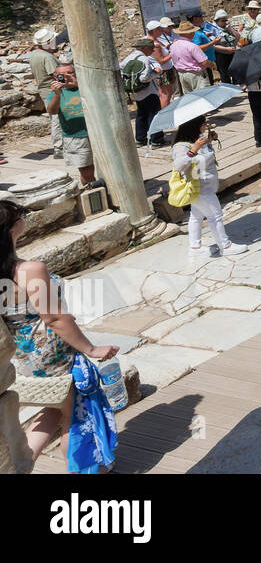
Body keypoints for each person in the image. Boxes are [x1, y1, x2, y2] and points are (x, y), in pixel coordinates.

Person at [2, 196, 119, 465]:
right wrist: (90, 349)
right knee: (75, 413)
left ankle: (22, 466)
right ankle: (80, 470)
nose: (24, 218)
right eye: (20, 215)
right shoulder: (30, 271)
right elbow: (54, 318)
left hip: (17, 356)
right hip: (50, 354)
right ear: (11, 229)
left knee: (54, 407)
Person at [172, 116, 245, 257]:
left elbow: (202, 158)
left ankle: (195, 247)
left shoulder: (197, 140)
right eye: (204, 124)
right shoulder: (181, 146)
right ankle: (225, 246)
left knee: (196, 216)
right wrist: (194, 149)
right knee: (215, 215)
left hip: (206, 185)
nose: (206, 126)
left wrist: (209, 141)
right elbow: (179, 165)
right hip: (199, 187)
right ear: (194, 126)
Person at [45, 62, 95, 187]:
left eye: (69, 72)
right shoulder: (54, 94)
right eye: (61, 75)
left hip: (97, 133)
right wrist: (57, 93)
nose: (66, 76)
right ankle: (93, 191)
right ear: (55, 77)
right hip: (75, 136)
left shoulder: (86, 86)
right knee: (86, 170)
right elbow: (52, 111)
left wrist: (79, 84)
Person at [121, 38, 164, 148]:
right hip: (148, 91)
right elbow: (144, 78)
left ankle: (140, 139)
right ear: (144, 47)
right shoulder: (144, 59)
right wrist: (155, 73)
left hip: (136, 92)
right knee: (154, 115)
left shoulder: (130, 57)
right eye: (151, 48)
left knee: (141, 115)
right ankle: (156, 140)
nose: (152, 50)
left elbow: (121, 68)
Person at [28, 28, 62, 159]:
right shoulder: (47, 57)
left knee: (54, 118)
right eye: (53, 40)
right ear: (48, 42)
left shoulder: (34, 55)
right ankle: (59, 148)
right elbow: (56, 75)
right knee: (57, 119)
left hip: (44, 90)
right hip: (53, 92)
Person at [171, 22, 216, 96]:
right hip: (196, 74)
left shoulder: (173, 46)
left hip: (182, 74)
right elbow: (204, 62)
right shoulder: (192, 46)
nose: (194, 33)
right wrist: (212, 65)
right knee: (203, 95)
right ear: (190, 33)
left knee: (190, 97)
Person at [146, 19, 175, 109]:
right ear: (155, 30)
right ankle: (164, 117)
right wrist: (172, 54)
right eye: (160, 29)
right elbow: (161, 61)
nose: (162, 31)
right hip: (164, 71)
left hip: (161, 70)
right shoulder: (155, 44)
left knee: (164, 95)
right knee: (165, 96)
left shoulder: (148, 40)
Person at [207, 10, 240, 83]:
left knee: (235, 72)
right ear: (217, 21)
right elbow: (213, 45)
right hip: (221, 54)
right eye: (222, 21)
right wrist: (226, 49)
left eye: (226, 20)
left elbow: (238, 36)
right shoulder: (212, 29)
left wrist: (230, 29)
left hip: (231, 52)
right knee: (224, 73)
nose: (225, 22)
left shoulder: (228, 27)